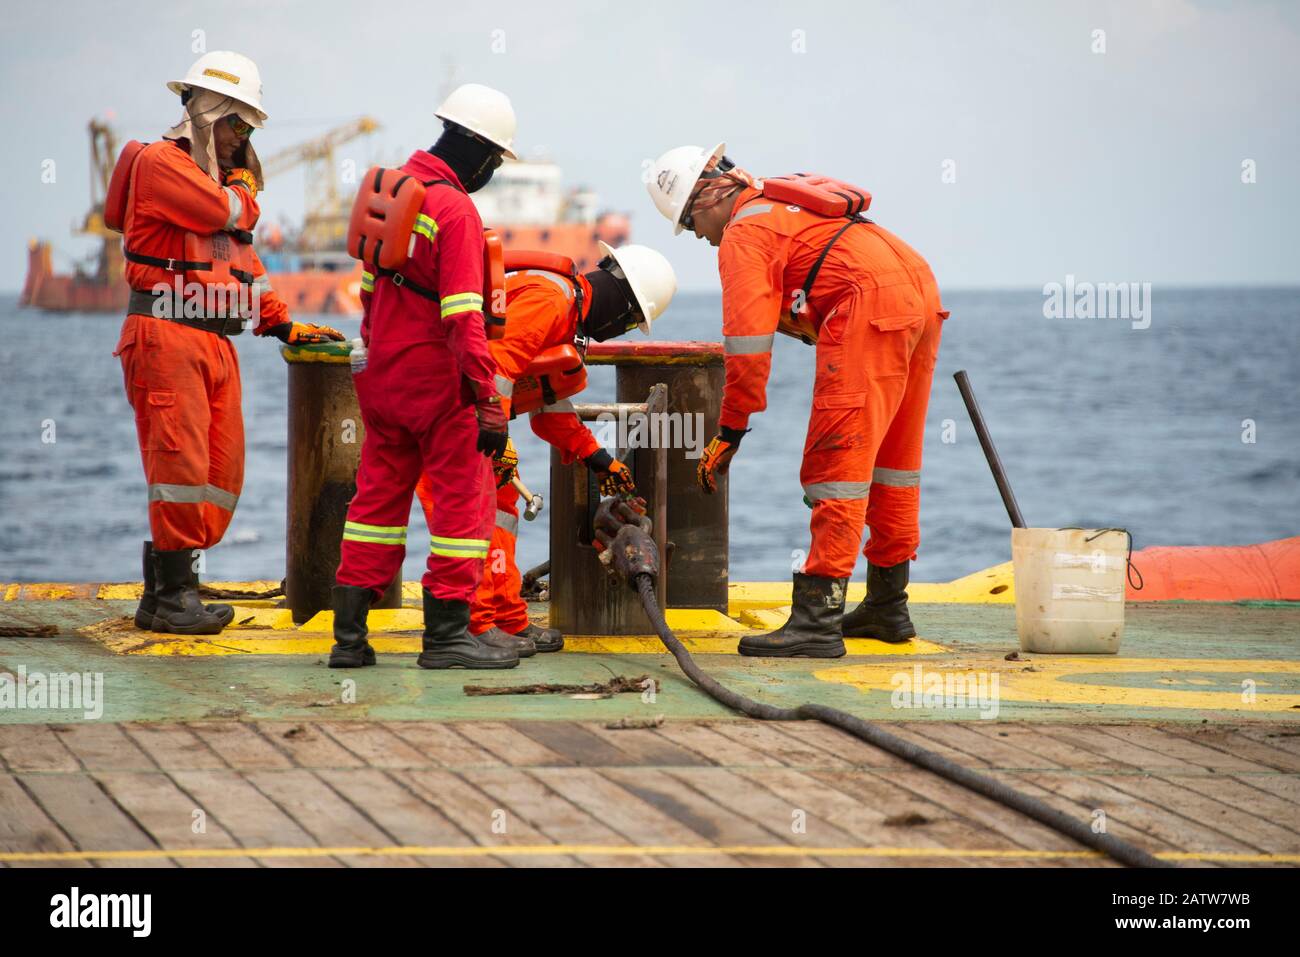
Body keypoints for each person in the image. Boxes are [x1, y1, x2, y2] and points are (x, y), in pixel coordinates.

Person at [647, 143, 948, 657]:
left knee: (838, 462)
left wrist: (730, 431)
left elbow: (745, 348)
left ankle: (817, 620)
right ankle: (887, 605)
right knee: (895, 462)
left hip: (868, 303)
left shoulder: (744, 232)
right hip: (917, 289)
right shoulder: (780, 208)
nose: (702, 238)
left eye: (694, 227)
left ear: (707, 200)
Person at [114, 51, 343, 636]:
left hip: (215, 340)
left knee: (219, 475)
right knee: (180, 469)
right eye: (237, 123)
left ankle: (169, 588)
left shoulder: (216, 183)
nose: (243, 137)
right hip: (167, 333)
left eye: (249, 128)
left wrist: (283, 323)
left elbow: (245, 264)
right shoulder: (163, 165)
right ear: (209, 112)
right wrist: (242, 183)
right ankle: (171, 596)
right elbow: (225, 209)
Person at [328, 84, 518, 671]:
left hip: (383, 377)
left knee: (376, 502)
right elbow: (463, 317)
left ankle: (350, 640)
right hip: (439, 384)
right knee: (465, 504)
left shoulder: (392, 190)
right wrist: (486, 397)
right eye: (494, 162)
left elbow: (367, 292)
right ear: (483, 153)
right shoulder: (455, 210)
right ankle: (446, 637)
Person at [415, 242, 677, 657]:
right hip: (445, 406)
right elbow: (494, 366)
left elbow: (549, 408)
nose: (619, 332)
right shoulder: (550, 300)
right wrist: (494, 432)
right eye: (628, 323)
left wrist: (596, 456)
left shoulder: (562, 308)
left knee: (500, 507)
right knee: (468, 514)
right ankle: (472, 625)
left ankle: (506, 618)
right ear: (622, 304)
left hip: (466, 407)